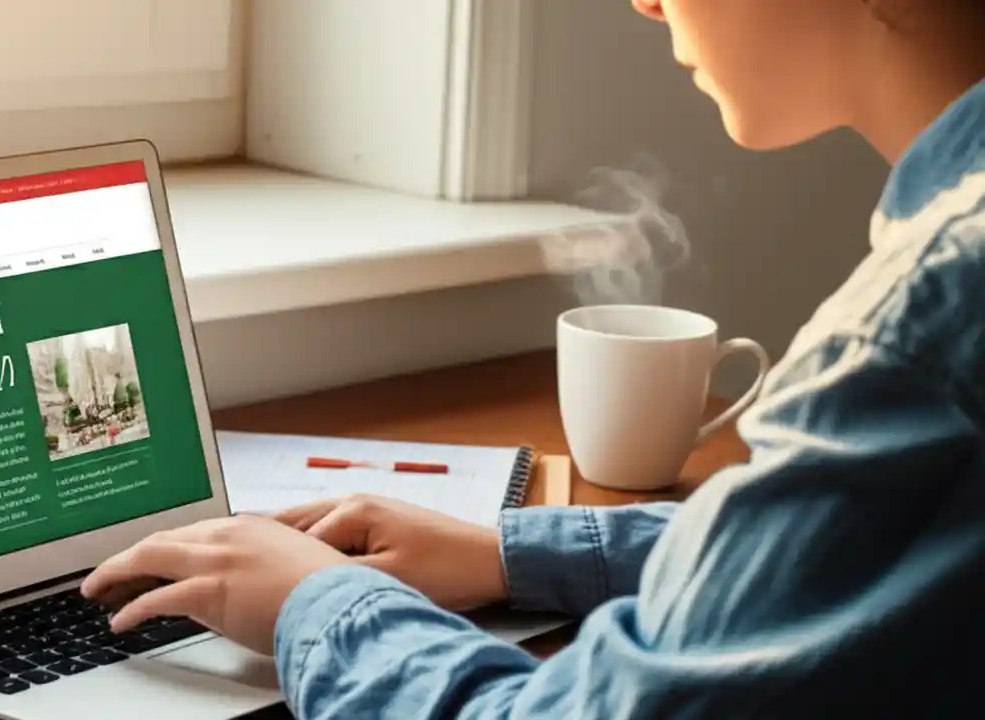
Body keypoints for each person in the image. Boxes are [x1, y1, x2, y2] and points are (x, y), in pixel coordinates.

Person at [82, 1, 985, 716]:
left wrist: (319, 606)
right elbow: (837, 551)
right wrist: (509, 554)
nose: (645, 4)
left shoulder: (920, 327)